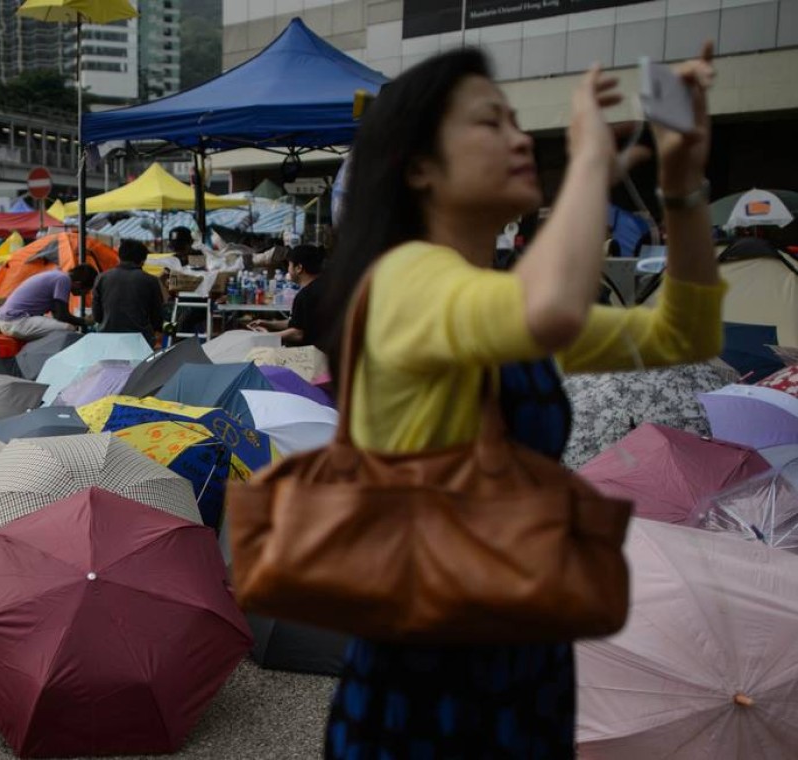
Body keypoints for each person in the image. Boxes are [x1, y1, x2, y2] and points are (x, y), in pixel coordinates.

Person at [319, 43, 720, 758]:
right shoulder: (403, 280)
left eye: (515, 121)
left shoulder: (495, 303)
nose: (516, 138)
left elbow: (683, 332)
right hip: (431, 677)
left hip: (522, 649)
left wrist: (683, 186)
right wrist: (591, 159)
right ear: (417, 166)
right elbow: (553, 310)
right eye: (488, 122)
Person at [249, 244, 326, 348]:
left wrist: (268, 336)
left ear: (299, 268)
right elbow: (298, 322)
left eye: (289, 265)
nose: (288, 269)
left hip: (312, 354)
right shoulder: (325, 287)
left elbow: (298, 333)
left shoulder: (305, 295)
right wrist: (268, 323)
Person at [91, 240, 164, 346]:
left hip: (107, 339)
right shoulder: (150, 280)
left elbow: (97, 316)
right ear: (143, 260)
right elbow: (157, 316)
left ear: (119, 257)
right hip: (139, 340)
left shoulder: (102, 278)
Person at [0, 265, 97, 341]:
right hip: (16, 322)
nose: (86, 294)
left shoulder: (57, 276)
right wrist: (85, 321)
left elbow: (57, 315)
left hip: (9, 321)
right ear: (78, 284)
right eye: (86, 290)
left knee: (63, 325)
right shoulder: (63, 280)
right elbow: (62, 316)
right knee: (68, 328)